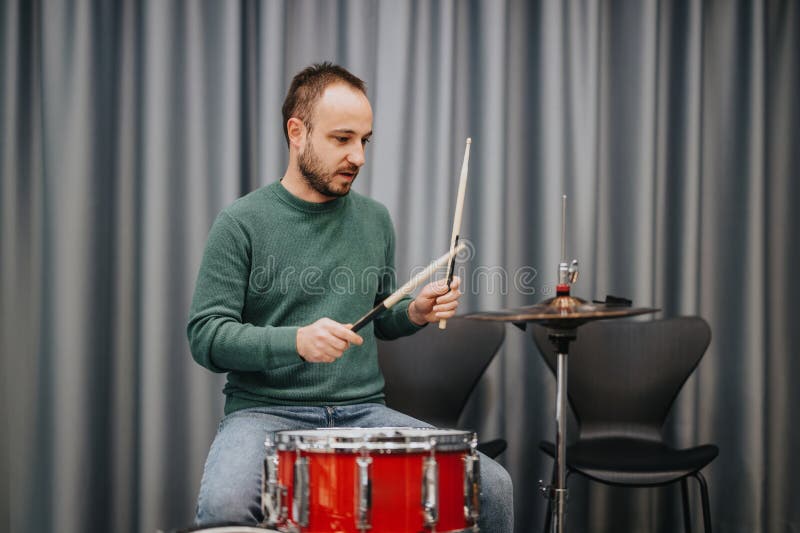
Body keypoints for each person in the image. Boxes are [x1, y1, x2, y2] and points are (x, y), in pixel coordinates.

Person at [187, 62, 513, 532]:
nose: (358, 156)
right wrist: (296, 341)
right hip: (264, 412)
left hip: (363, 411)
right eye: (342, 139)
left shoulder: (375, 219)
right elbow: (206, 337)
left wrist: (415, 311)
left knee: (494, 486)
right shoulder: (240, 222)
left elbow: (380, 315)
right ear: (296, 132)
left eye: (365, 140)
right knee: (224, 513)